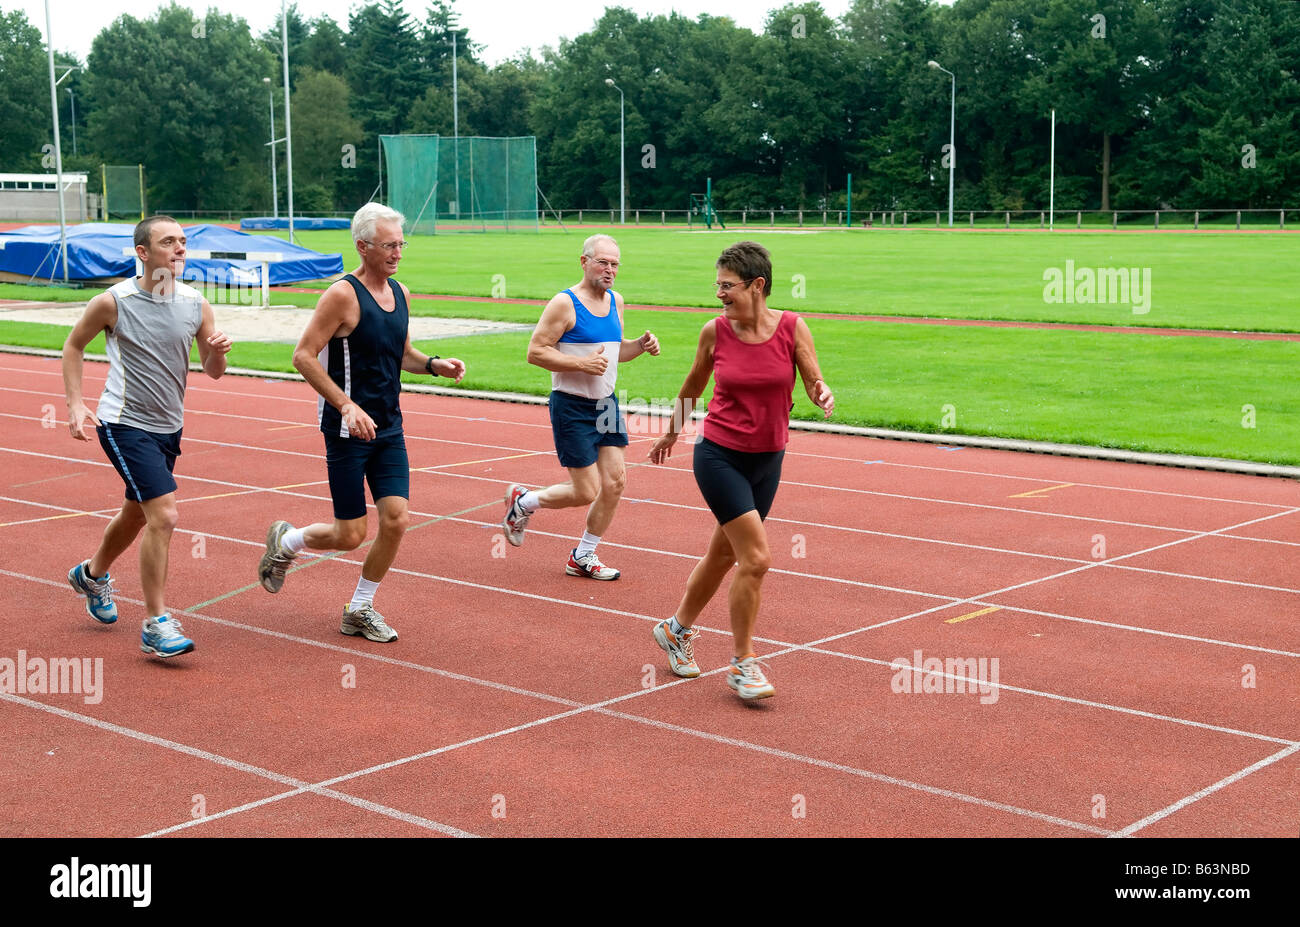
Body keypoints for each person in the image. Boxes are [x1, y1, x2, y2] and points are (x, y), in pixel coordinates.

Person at [256, 202, 465, 642]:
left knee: (396, 519)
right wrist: (346, 406)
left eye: (401, 244)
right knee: (350, 534)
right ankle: (288, 543)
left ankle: (360, 607)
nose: (397, 253)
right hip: (347, 431)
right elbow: (302, 356)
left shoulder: (402, 292)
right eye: (389, 245)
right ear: (362, 246)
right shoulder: (342, 295)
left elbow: (402, 353)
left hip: (389, 427)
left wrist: (433, 364)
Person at [647, 241, 834, 700]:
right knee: (757, 558)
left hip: (769, 458)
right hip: (719, 455)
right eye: (717, 286)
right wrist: (671, 432)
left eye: (727, 287)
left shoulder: (792, 327)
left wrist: (821, 392)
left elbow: (813, 377)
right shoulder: (715, 332)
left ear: (757, 286)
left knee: (725, 555)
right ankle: (743, 663)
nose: (719, 295)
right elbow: (693, 384)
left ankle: (675, 630)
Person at [63, 215, 232, 658]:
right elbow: (74, 345)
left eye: (182, 242)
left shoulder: (196, 303)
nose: (179, 249)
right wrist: (76, 404)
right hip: (123, 423)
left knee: (138, 513)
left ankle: (91, 574)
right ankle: (157, 622)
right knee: (165, 515)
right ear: (143, 252)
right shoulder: (113, 301)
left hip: (168, 426)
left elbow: (213, 373)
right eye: (168, 242)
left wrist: (216, 353)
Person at [502, 233, 659, 580]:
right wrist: (580, 365)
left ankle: (583, 555)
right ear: (584, 261)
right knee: (585, 491)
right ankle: (523, 502)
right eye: (602, 262)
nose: (609, 269)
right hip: (571, 406)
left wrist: (641, 345)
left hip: (605, 405)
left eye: (615, 264)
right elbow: (535, 352)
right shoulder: (565, 303)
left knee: (616, 483)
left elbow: (615, 352)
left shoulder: (616, 301)